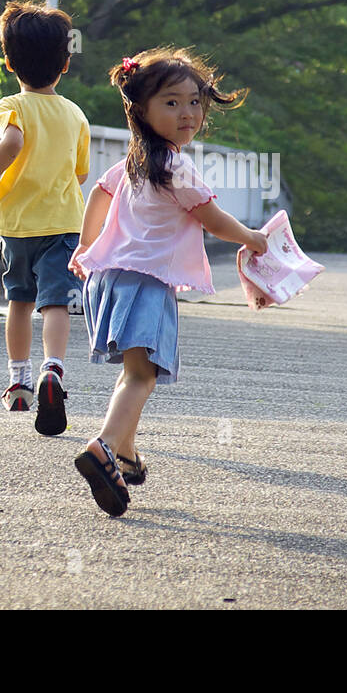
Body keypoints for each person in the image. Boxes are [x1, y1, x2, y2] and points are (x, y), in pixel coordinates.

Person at [67, 47, 268, 516]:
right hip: (145, 283)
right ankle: (102, 447)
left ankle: (127, 456)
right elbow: (212, 220)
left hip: (110, 279)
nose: (188, 113)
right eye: (172, 103)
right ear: (141, 109)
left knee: (136, 370)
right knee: (142, 375)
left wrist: (85, 245)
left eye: (195, 102)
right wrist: (253, 238)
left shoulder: (135, 161)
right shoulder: (176, 166)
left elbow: (98, 195)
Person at [0, 0, 89, 437]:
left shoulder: (11, 105)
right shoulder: (75, 114)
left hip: (18, 224)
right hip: (64, 224)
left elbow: (12, 142)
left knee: (19, 301)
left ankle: (19, 383)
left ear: (8, 62)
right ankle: (52, 371)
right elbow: (80, 173)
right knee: (56, 303)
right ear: (65, 63)